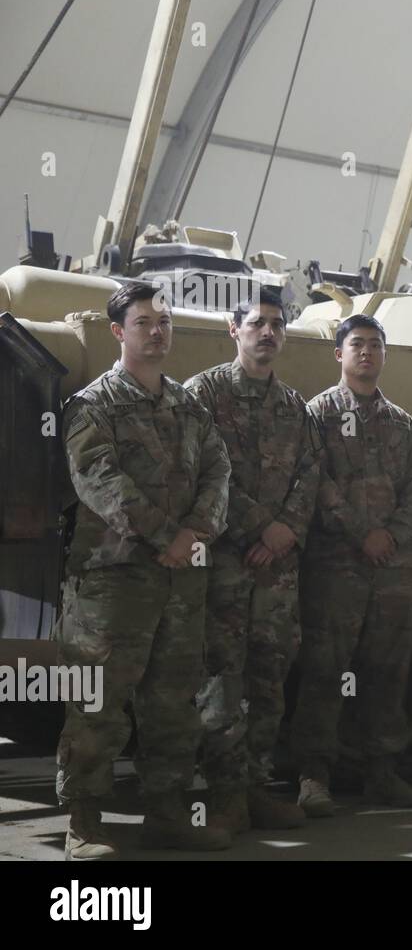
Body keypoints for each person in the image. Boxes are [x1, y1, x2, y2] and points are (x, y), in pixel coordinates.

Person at [56, 281, 232, 858]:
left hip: (180, 580)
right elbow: (102, 483)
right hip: (113, 582)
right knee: (97, 703)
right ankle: (84, 823)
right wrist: (168, 535)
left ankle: (167, 812)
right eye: (144, 323)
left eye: (164, 322)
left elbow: (218, 472)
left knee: (173, 703)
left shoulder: (189, 406)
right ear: (117, 332)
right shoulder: (93, 406)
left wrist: (196, 532)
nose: (157, 332)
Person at [185, 292, 320, 832]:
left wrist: (287, 530)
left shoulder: (294, 406)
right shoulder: (204, 394)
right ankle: (221, 795)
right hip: (225, 561)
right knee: (221, 678)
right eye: (257, 323)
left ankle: (255, 788)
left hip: (277, 570)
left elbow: (310, 474)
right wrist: (259, 525)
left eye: (276, 325)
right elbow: (203, 473)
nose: (267, 332)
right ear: (233, 329)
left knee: (269, 678)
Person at [291, 314, 412, 816]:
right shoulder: (316, 416)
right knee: (325, 671)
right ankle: (314, 775)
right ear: (339, 354)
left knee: (388, 670)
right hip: (336, 567)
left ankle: (382, 772)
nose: (367, 352)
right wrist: (361, 532)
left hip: (391, 570)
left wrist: (391, 535)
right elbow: (314, 481)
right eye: (357, 344)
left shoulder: (401, 423)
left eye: (375, 345)